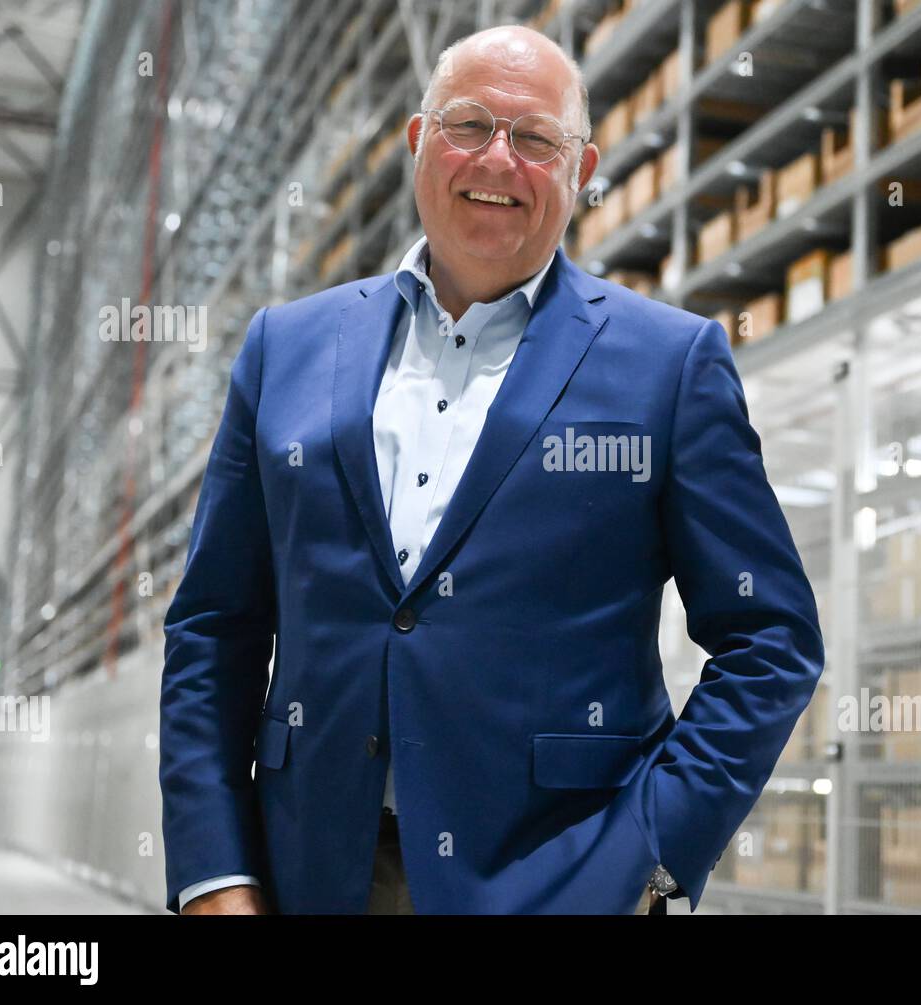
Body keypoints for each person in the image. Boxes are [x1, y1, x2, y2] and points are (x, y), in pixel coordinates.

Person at [159, 23, 823, 916]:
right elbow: (213, 626)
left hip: (557, 880)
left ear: (582, 172)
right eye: (468, 124)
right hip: (305, 872)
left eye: (538, 139)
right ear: (417, 141)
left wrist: (653, 855)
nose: (498, 160)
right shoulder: (287, 348)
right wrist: (212, 868)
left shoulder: (669, 366)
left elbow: (772, 637)